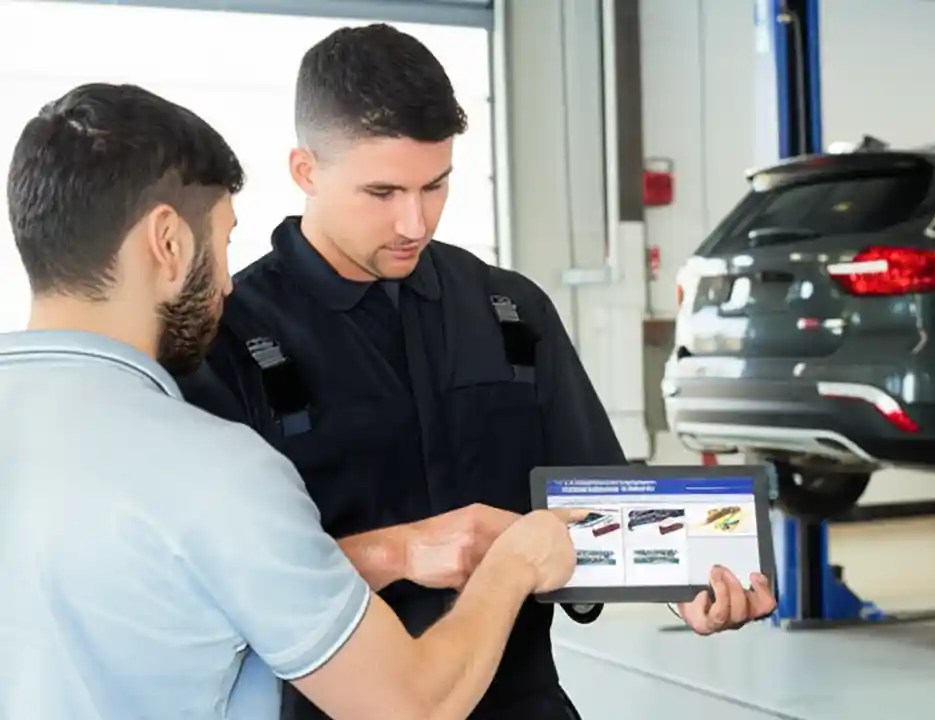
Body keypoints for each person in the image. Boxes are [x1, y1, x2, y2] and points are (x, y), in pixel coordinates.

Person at [178, 23, 778, 720]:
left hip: (519, 701)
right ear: (306, 171)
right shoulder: (226, 336)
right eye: (383, 192)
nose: (415, 222)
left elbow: (597, 506)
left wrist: (682, 583)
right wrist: (398, 552)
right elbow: (216, 585)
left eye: (435, 185)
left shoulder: (508, 312)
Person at [0, 81, 585, 720]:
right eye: (222, 242)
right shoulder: (212, 467)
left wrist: (396, 551)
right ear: (168, 242)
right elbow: (411, 706)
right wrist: (514, 563)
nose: (226, 282)